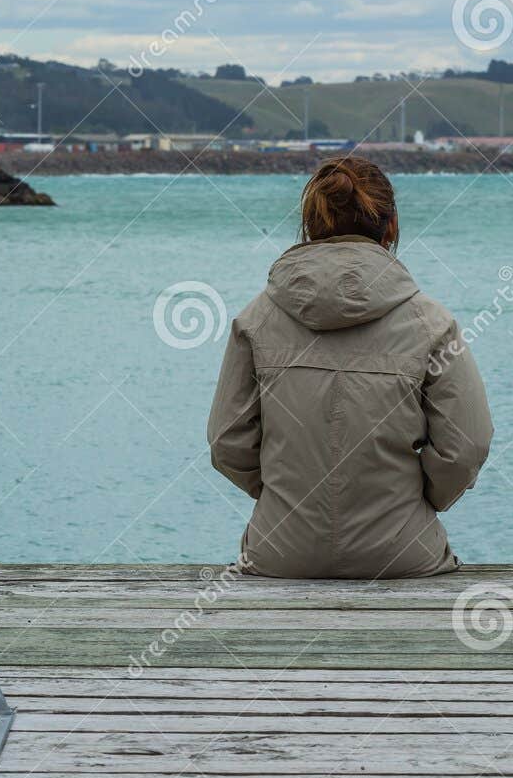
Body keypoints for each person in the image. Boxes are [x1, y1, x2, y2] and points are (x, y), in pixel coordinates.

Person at [207, 156, 493, 578]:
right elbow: (467, 445)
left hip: (279, 554)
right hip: (403, 555)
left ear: (311, 225)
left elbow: (227, 441)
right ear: (390, 226)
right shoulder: (431, 323)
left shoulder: (256, 319)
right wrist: (416, 500)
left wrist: (287, 498)